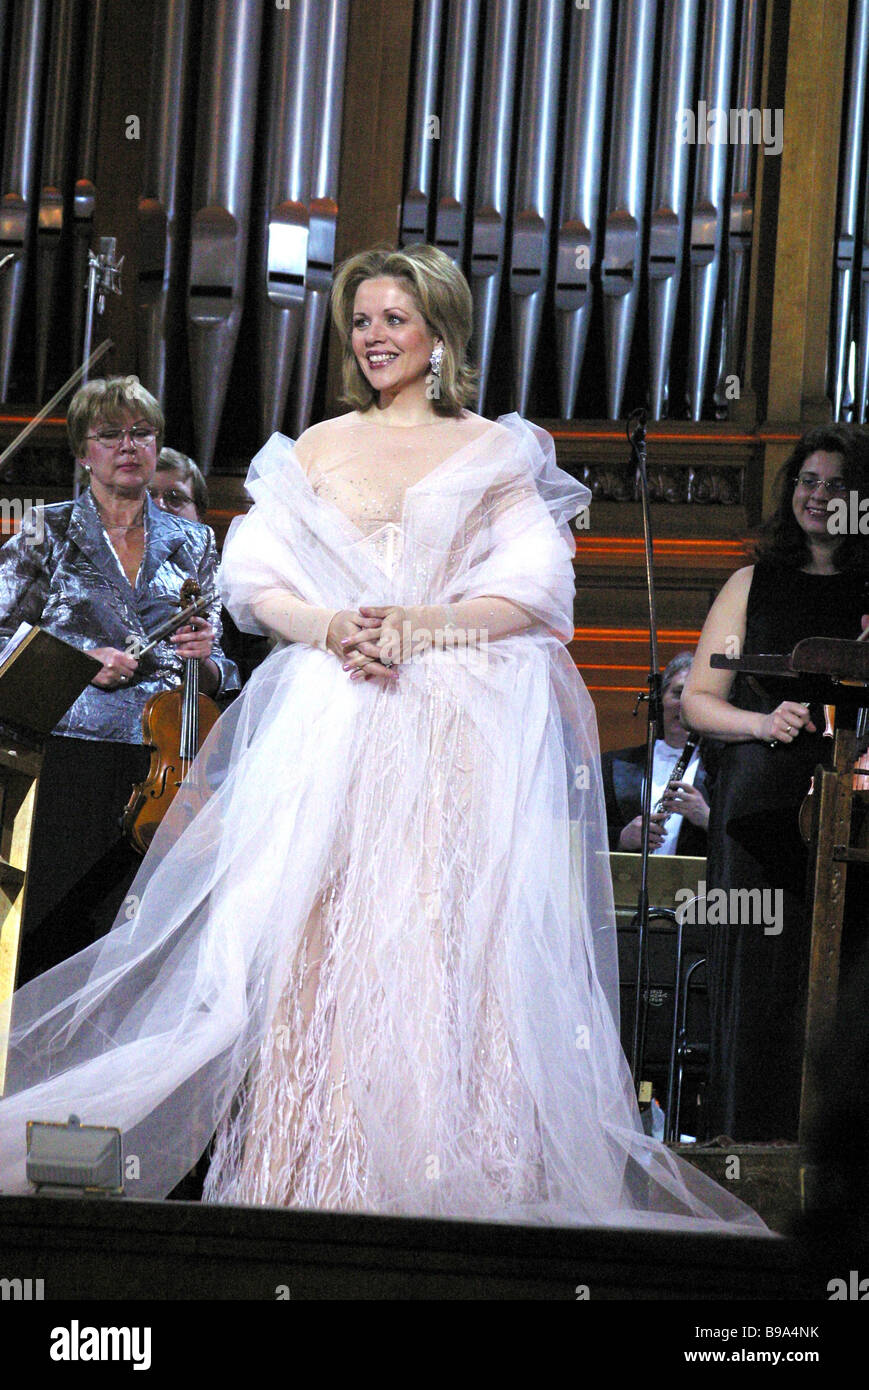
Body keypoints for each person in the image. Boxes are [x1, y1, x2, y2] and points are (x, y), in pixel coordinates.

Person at [0, 248, 764, 1232]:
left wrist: (416, 625)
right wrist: (331, 627)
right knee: (318, 935)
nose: (373, 336)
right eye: (360, 319)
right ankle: (309, 1172)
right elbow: (255, 577)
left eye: (393, 318)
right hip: (336, 718)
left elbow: (536, 590)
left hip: (454, 728)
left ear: (438, 329)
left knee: (443, 939)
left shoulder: (494, 448)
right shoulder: (316, 445)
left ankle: (463, 1178)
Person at [0, 377, 239, 983]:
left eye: (141, 433)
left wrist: (204, 657)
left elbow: (222, 671)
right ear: (83, 451)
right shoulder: (41, 530)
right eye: (109, 435)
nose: (128, 445)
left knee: (138, 944)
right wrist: (81, 655)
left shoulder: (194, 540)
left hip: (164, 763)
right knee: (54, 932)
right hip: (66, 759)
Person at [681, 424, 869, 1142]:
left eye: (835, 485)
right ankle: (746, 1145)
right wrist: (761, 725)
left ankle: (830, 1154)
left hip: (851, 798)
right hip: (759, 794)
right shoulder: (748, 582)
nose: (817, 497)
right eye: (806, 481)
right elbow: (699, 698)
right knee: (760, 973)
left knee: (842, 967)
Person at [150, 447, 271, 689]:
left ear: (200, 514)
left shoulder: (235, 584)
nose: (159, 505)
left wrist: (205, 663)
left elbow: (252, 677)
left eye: (174, 497)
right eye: (148, 496)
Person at [602, 652, 710, 856]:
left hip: (698, 886)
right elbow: (580, 834)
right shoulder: (610, 765)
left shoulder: (725, 770)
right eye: (678, 693)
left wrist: (706, 818)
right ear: (660, 699)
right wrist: (622, 837)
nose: (684, 705)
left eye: (694, 697)